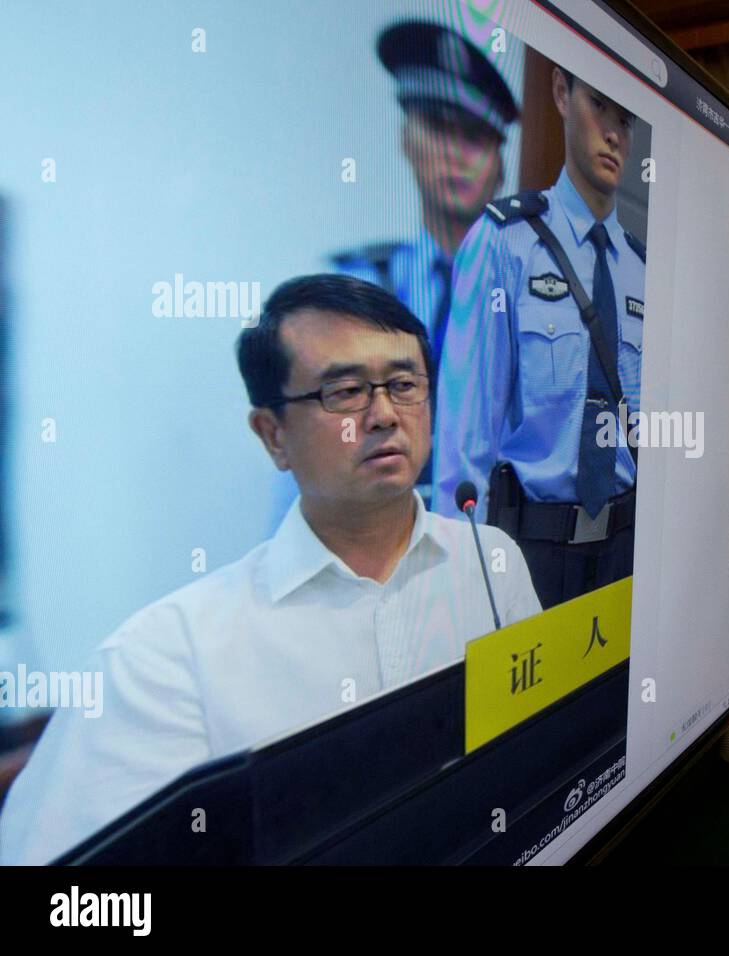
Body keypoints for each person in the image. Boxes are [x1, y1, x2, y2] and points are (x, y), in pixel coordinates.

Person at [0, 275, 541, 865]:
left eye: (404, 384)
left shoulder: (489, 562)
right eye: (345, 392)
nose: (384, 413)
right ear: (273, 435)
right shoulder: (165, 657)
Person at [432, 67, 646, 609]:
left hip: (626, 550)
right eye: (600, 105)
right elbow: (466, 436)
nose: (615, 133)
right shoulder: (505, 240)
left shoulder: (644, 270)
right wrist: (460, 587)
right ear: (561, 93)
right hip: (532, 555)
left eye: (625, 119)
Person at [328, 19, 518, 508]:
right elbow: (312, 477)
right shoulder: (354, 288)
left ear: (500, 163)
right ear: (407, 139)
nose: (454, 154)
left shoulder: (529, 297)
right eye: (437, 128)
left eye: (474, 137)